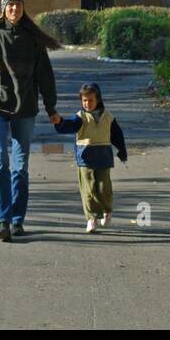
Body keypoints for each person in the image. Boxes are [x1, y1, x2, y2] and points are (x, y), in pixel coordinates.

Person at [0, 0, 62, 241]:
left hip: (25, 107)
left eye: (18, 5)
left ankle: (17, 219)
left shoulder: (32, 39)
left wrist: (51, 108)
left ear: (23, 8)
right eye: (10, 5)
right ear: (3, 9)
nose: (14, 9)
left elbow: (45, 76)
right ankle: (2, 220)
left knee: (20, 168)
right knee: (0, 161)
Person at [53, 81, 127, 232]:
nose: (87, 103)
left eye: (91, 100)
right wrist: (59, 122)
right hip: (85, 159)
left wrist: (122, 151)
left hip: (104, 158)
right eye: (84, 100)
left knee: (103, 188)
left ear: (98, 99)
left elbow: (118, 135)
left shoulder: (108, 117)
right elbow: (68, 125)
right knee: (88, 190)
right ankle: (91, 219)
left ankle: (107, 211)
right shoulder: (80, 118)